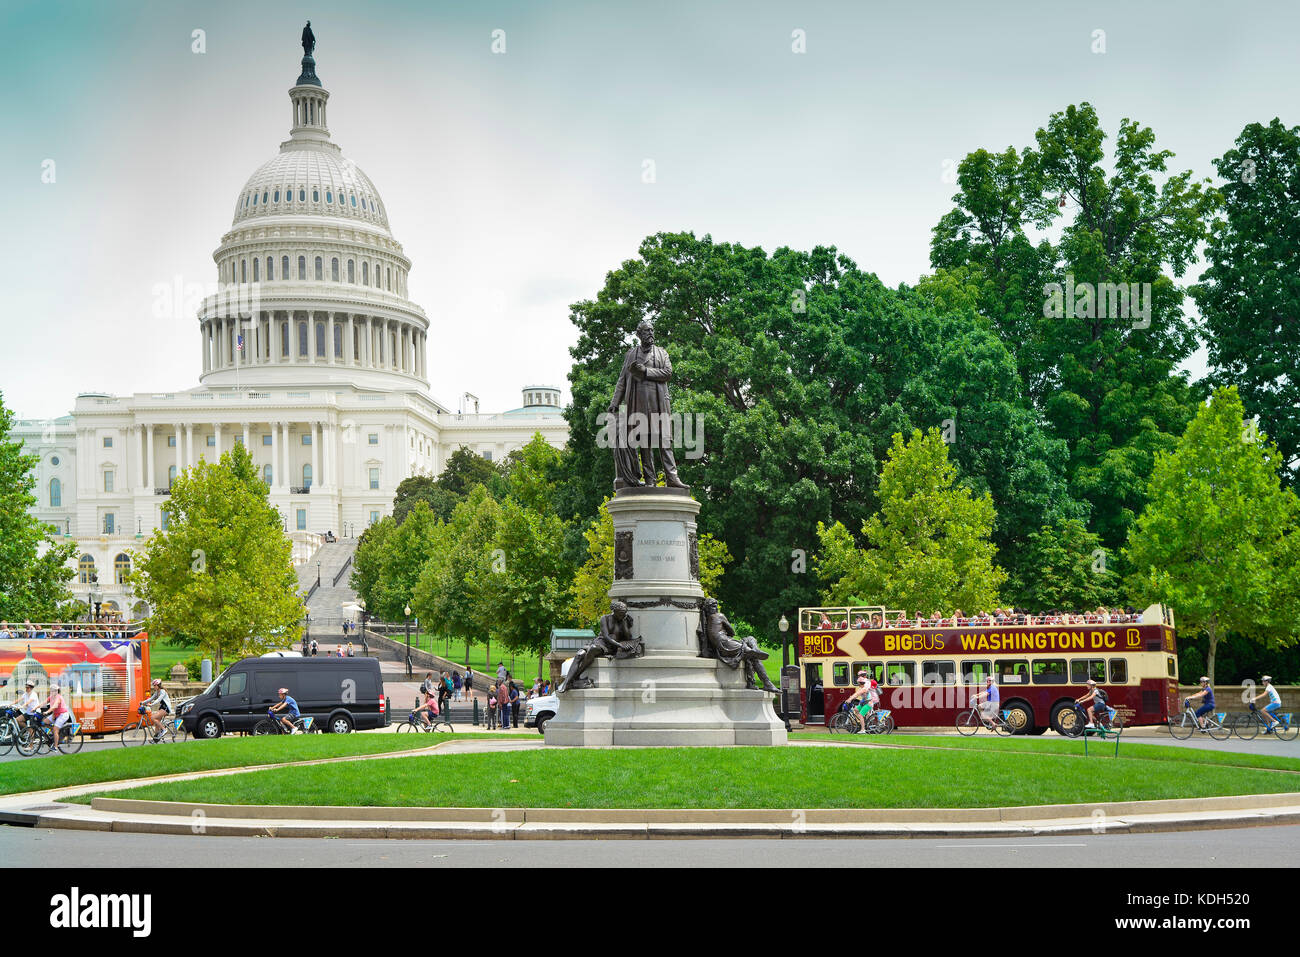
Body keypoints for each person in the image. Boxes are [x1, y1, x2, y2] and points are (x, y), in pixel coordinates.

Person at [141, 677, 173, 742]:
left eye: (155, 685)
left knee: (153, 717)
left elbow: (159, 700)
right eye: (153, 685)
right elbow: (151, 699)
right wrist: (143, 702)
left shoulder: (162, 691)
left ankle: (164, 730)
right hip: (162, 708)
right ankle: (155, 739)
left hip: (166, 708)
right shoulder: (157, 692)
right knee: (156, 723)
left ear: (158, 685)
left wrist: (151, 705)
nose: (154, 687)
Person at [43, 683, 72, 751]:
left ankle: (55, 747)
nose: (52, 691)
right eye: (51, 690)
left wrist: (47, 712)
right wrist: (36, 707)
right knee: (44, 722)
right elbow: (44, 702)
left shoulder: (58, 698)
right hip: (55, 714)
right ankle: (55, 731)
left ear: (57, 691)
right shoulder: (51, 697)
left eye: (53, 690)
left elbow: (54, 706)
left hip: (63, 715)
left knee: (55, 729)